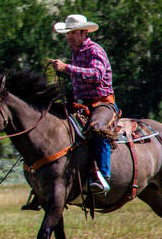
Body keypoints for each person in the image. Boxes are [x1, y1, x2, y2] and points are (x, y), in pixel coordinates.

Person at [49, 13, 116, 194]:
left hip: (102, 103)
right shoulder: (76, 52)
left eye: (73, 33)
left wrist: (67, 68)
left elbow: (97, 75)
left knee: (97, 127)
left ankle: (103, 176)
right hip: (81, 104)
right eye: (68, 33)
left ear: (84, 32)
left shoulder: (94, 50)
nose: (69, 37)